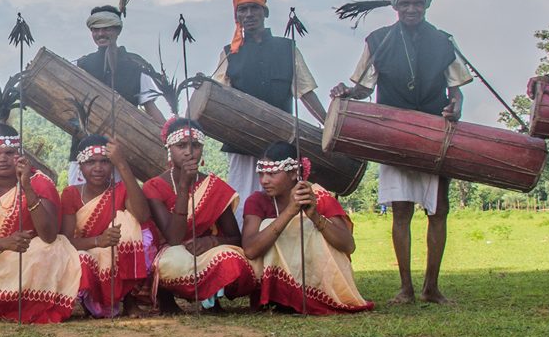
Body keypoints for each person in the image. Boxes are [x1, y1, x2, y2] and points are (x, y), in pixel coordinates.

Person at [330, 0, 471, 305]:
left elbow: (456, 92)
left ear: (427, 3)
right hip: (393, 134)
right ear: (394, 5)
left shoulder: (443, 41)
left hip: (436, 134)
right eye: (405, 3)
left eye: (417, 2)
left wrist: (454, 107)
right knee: (401, 210)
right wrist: (347, 92)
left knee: (438, 211)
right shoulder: (377, 40)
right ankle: (406, 288)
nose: (412, 8)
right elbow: (364, 87)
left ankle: (431, 288)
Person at [212, 0, 327, 218]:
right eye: (243, 10)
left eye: (254, 8)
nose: (249, 15)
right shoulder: (229, 54)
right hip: (241, 146)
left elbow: (306, 92)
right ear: (237, 16)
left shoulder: (287, 50)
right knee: (242, 204)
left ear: (265, 12)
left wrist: (329, 126)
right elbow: (217, 98)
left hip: (280, 146)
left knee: (284, 206)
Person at [0, 123, 81, 323]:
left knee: (45, 250)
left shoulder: (40, 182)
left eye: (9, 152)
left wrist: (27, 188)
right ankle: (0, 304)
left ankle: (24, 306)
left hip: (29, 253)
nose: (3, 159)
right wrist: (4, 243)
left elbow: (49, 235)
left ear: (20, 154)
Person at [240, 142, 373, 314]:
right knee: (267, 225)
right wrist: (289, 212)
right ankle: (280, 295)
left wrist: (315, 216)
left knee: (309, 225)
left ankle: (314, 296)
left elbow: (348, 245)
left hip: (318, 286)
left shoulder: (318, 197)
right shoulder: (257, 201)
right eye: (262, 174)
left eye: (272, 173)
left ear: (295, 173)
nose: (264, 180)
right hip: (276, 297)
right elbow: (250, 250)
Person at [142, 118, 257, 313]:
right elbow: (174, 238)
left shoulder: (215, 187)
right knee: (169, 261)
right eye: (181, 145)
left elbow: (236, 239)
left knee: (231, 258)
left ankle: (212, 297)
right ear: (169, 148)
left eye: (195, 145)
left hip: (203, 253)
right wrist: (185, 187)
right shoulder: (154, 186)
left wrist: (212, 241)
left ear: (202, 148)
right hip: (171, 251)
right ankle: (166, 298)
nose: (189, 152)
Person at [69, 3, 165, 185]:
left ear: (118, 30)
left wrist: (172, 137)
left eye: (106, 28)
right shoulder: (79, 66)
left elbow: (150, 107)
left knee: (121, 208)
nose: (100, 34)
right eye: (95, 29)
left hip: (121, 153)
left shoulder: (136, 67)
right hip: (83, 153)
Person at [60, 136, 155, 317]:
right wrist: (98, 241)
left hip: (117, 251)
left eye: (105, 161)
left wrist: (122, 164)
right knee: (82, 259)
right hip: (88, 251)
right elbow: (65, 242)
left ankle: (129, 301)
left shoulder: (121, 190)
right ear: (80, 166)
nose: (98, 168)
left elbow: (143, 215)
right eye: (90, 162)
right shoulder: (70, 194)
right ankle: (92, 302)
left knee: (129, 224)